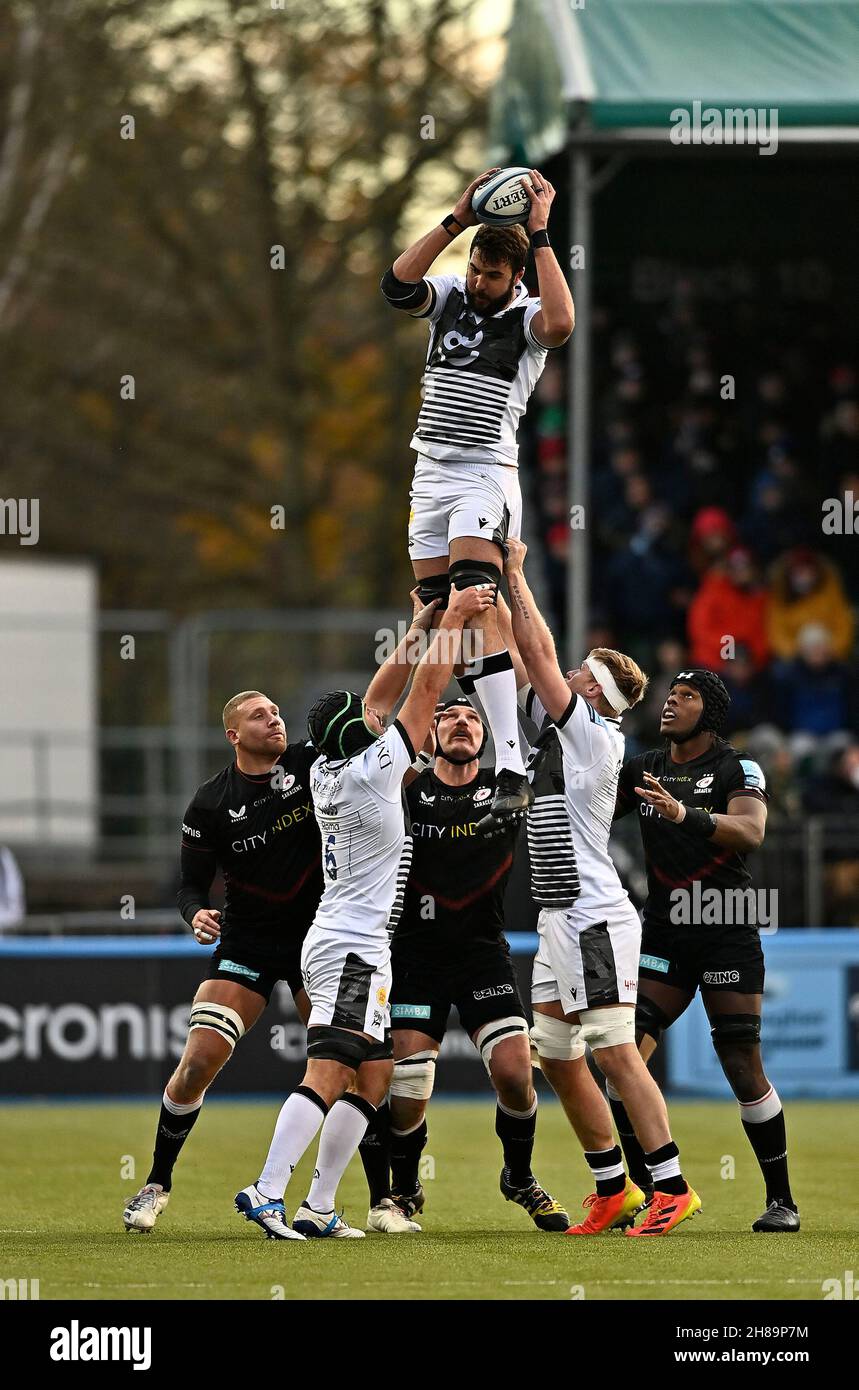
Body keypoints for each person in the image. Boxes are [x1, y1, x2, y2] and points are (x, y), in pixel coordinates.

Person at [234, 584, 493, 1240]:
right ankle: (266, 1190)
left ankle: (318, 1207)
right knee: (329, 1068)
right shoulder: (377, 770)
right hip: (351, 944)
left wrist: (417, 623)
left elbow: (381, 698)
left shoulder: (330, 764)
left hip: (348, 939)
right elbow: (427, 689)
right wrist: (456, 617)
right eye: (370, 721)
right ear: (364, 737)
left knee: (373, 1074)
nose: (379, 717)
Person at [505, 540, 701, 1237]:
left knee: (615, 1051)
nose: (565, 673)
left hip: (589, 915)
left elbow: (531, 651)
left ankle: (672, 1186)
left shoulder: (591, 732)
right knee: (556, 1055)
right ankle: (612, 1187)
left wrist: (516, 575)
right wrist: (480, 598)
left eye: (578, 671)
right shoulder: (574, 731)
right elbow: (516, 656)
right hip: (559, 915)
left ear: (593, 692)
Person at [380, 166, 574, 832]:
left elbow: (562, 319)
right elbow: (396, 284)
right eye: (474, 270)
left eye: (490, 276)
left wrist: (540, 232)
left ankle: (512, 762)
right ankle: (508, 751)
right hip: (428, 474)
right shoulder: (449, 297)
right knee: (440, 616)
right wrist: (457, 217)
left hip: (481, 474)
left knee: (475, 593)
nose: (477, 283)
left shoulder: (523, 318)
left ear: (513, 278)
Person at [359, 696, 569, 1234]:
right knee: (406, 1089)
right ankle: (403, 1191)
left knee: (517, 1075)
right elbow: (375, 723)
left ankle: (518, 1178)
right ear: (429, 733)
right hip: (415, 955)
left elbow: (537, 716)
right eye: (449, 715)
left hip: (481, 954)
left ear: (487, 734)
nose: (462, 723)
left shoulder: (506, 788)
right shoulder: (406, 789)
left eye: (474, 717)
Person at [123, 689, 325, 1233]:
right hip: (249, 941)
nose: (274, 719)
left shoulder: (310, 762)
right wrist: (196, 915)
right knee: (197, 1062)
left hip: (321, 938)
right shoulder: (211, 802)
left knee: (350, 1066)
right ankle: (156, 1184)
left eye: (277, 712)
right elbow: (189, 884)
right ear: (234, 735)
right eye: (260, 715)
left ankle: (366, 1201)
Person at [613, 668, 800, 1233]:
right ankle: (652, 1192)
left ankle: (781, 1201)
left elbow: (750, 832)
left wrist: (682, 814)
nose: (670, 704)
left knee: (741, 1065)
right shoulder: (643, 767)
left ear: (710, 712)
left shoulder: (737, 766)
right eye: (669, 696)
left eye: (686, 696)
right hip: (665, 931)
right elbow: (588, 808)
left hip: (725, 925)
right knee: (623, 1058)